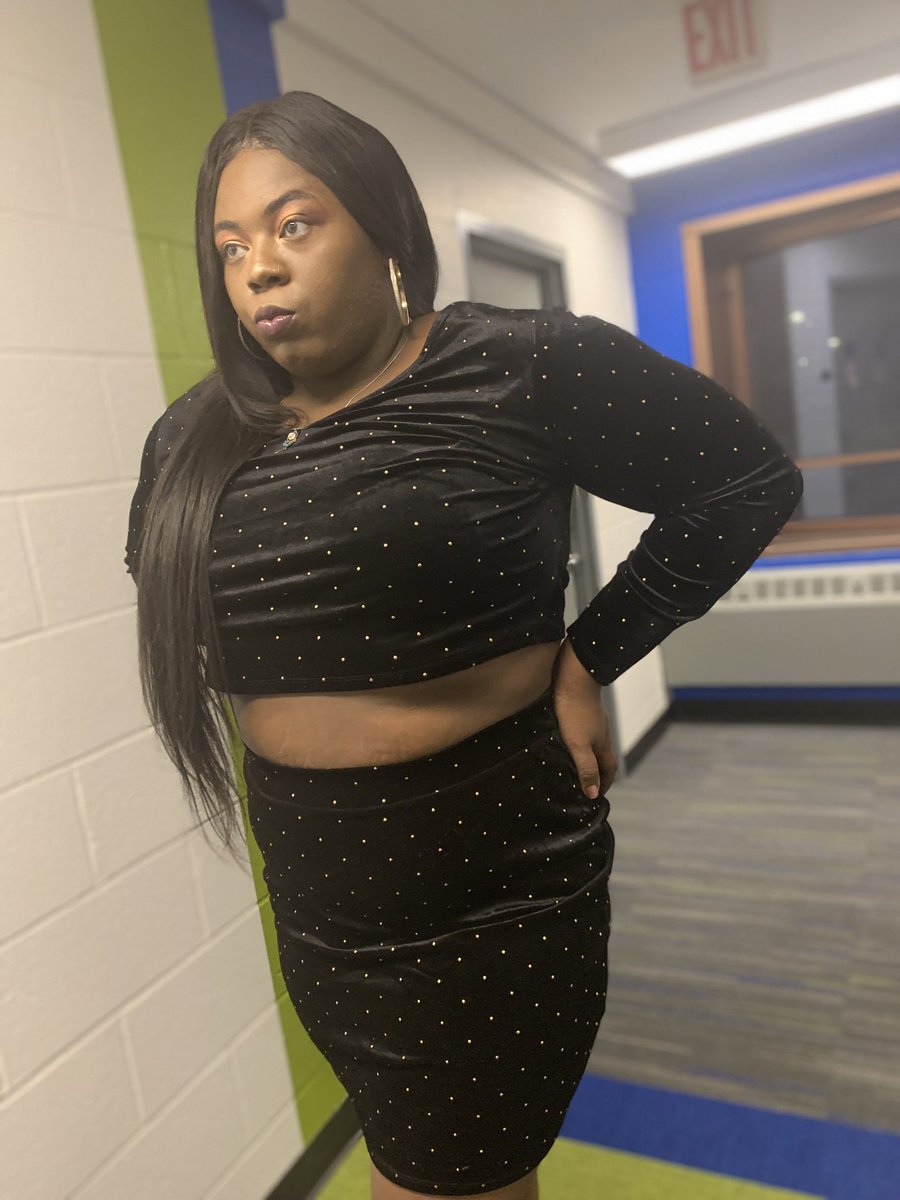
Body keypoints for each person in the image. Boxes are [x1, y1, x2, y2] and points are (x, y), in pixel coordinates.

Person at [123, 91, 803, 1200]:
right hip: (323, 888)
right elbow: (184, 604)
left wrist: (588, 658)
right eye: (232, 246)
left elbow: (743, 481)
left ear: (386, 227)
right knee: (431, 1165)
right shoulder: (190, 438)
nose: (260, 268)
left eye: (295, 224)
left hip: (491, 871)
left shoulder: (522, 363)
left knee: (450, 1174)